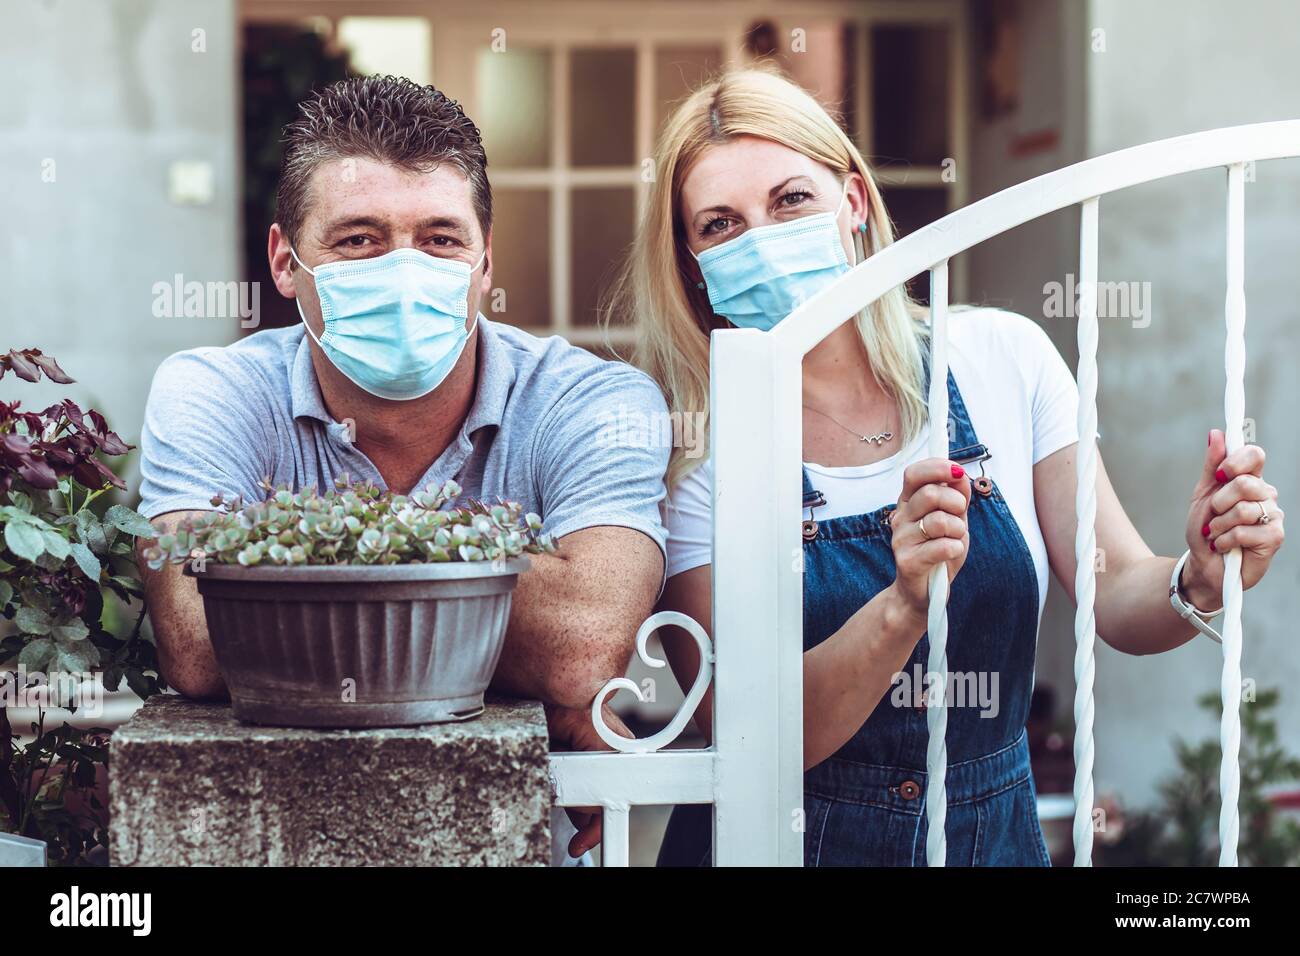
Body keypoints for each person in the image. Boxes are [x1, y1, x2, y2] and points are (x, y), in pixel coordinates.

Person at [602, 67, 1287, 866]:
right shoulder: (692, 454)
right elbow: (754, 733)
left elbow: (1120, 591)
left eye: (790, 200)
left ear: (853, 204)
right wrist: (900, 607)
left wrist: (1198, 577)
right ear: (691, 263)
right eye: (720, 225)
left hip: (988, 844)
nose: (760, 240)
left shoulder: (1005, 356)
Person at [137, 75, 670, 861]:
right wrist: (517, 676)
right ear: (286, 262)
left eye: (440, 240)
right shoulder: (210, 390)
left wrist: (289, 584)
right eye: (358, 239)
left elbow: (582, 644)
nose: (403, 268)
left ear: (485, 264)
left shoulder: (593, 398)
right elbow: (199, 640)